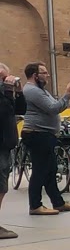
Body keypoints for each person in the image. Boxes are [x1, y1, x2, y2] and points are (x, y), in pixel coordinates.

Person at [21, 63, 70, 215]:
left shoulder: (41, 90)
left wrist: (66, 96)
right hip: (38, 134)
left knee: (50, 169)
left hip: (45, 135)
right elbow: (53, 108)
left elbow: (55, 105)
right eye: (44, 72)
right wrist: (68, 94)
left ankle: (58, 202)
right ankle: (35, 205)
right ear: (35, 75)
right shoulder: (33, 91)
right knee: (40, 170)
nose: (47, 75)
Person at [0, 63, 27, 238]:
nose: (5, 81)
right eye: (2, 78)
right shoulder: (4, 95)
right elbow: (3, 110)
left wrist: (20, 91)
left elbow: (20, 110)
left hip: (5, 143)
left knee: (2, 185)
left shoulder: (6, 94)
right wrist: (9, 91)